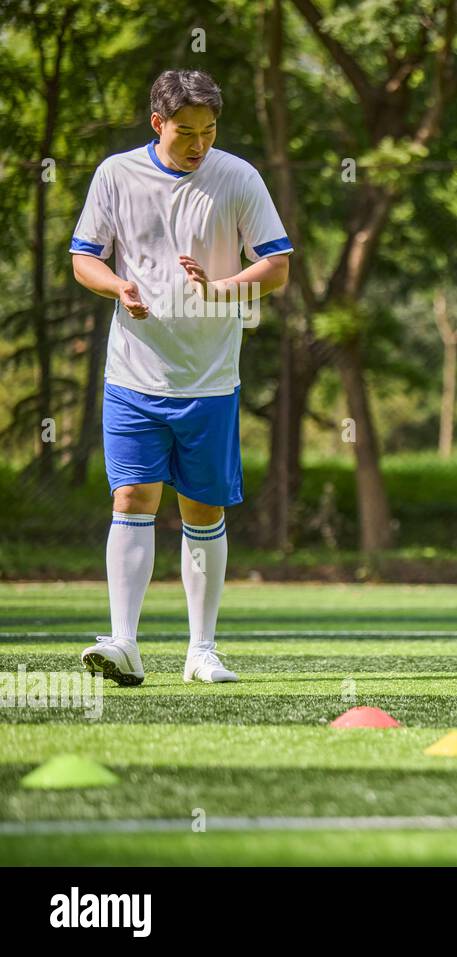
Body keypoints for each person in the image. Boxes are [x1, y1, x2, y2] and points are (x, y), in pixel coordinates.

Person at [69, 69, 293, 685]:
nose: (199, 144)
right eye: (186, 132)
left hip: (209, 381)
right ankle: (123, 642)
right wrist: (118, 286)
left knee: (202, 509)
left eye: (209, 131)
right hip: (132, 376)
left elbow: (276, 266)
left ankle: (202, 650)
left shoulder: (238, 177)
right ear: (156, 124)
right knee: (132, 497)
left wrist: (219, 288)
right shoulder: (115, 174)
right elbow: (84, 256)